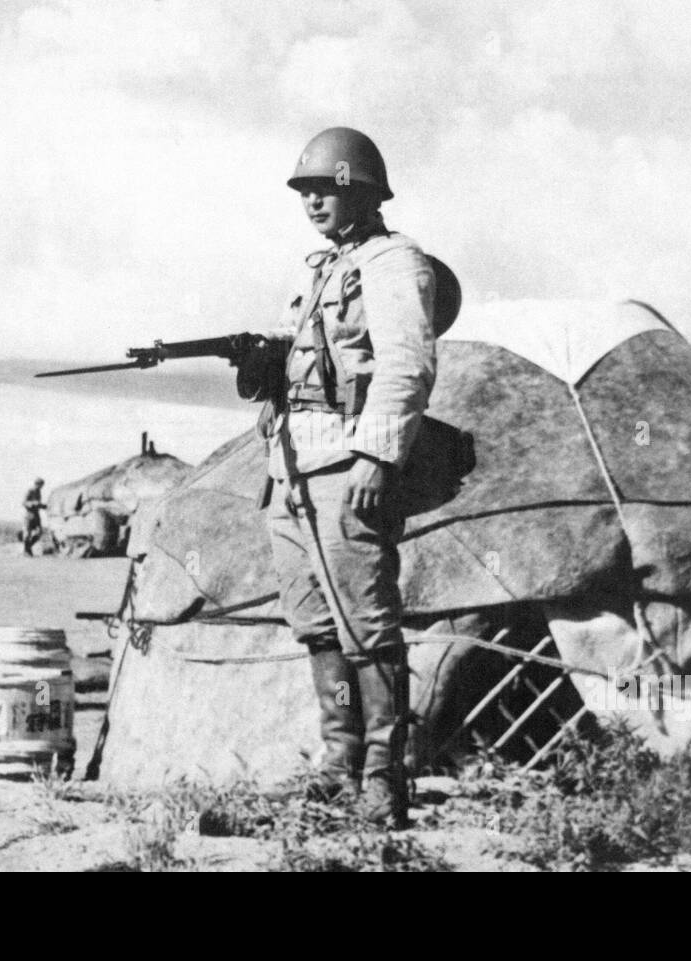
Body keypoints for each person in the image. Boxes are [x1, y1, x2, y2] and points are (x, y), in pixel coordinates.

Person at [247, 128, 437, 826]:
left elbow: (407, 362)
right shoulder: (318, 270)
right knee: (317, 626)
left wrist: (377, 456)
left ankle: (385, 779)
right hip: (292, 469)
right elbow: (302, 356)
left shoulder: (393, 263)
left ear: (362, 191)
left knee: (366, 624)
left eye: (326, 189)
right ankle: (338, 766)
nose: (313, 202)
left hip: (345, 466)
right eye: (305, 192)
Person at [22, 478, 46, 556]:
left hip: (36, 514)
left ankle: (27, 548)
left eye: (42, 485)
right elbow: (24, 502)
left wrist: (43, 506)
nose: (41, 487)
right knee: (27, 534)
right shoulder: (30, 491)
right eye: (40, 485)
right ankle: (27, 551)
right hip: (29, 514)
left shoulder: (39, 492)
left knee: (39, 532)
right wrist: (33, 503)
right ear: (37, 484)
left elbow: (38, 504)